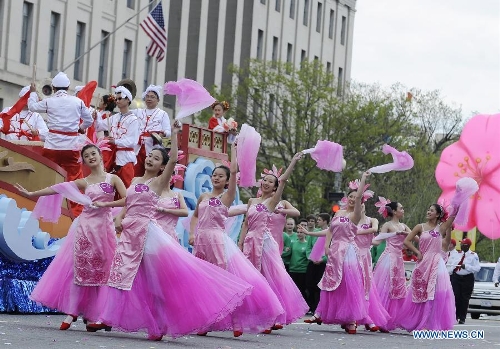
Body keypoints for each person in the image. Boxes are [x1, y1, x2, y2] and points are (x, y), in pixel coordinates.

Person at [86, 123, 253, 341]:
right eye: (150, 156)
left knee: (156, 283)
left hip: (148, 233)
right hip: (129, 232)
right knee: (120, 271)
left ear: (163, 166)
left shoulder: (159, 182)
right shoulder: (136, 180)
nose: (150, 159)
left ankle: (161, 324)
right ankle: (105, 316)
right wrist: (119, 217)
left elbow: (173, 159)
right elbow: (128, 201)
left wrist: (174, 135)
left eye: (156, 158)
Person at [15, 142, 126, 331]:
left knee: (103, 271)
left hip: (105, 230)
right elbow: (58, 188)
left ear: (100, 155)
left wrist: (106, 206)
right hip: (85, 228)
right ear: (84, 161)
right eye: (87, 156)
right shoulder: (84, 182)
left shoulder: (113, 178)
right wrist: (32, 193)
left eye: (93, 153)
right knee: (80, 269)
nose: (91, 157)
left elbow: (126, 199)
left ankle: (96, 315)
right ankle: (72, 311)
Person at [189, 140, 285, 336]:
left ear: (226, 181)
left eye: (220, 176)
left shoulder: (227, 197)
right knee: (203, 282)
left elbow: (233, 173)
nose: (216, 178)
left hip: (217, 241)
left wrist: (233, 152)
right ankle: (205, 321)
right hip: (201, 241)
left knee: (222, 282)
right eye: (214, 175)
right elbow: (196, 216)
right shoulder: (203, 197)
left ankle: (235, 320)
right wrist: (192, 233)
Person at [301, 172, 389, 334]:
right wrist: (325, 245)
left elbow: (360, 206)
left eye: (356, 197)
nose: (352, 198)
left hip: (348, 252)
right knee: (331, 283)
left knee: (351, 285)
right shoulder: (338, 213)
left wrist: (362, 179)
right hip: (335, 252)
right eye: (350, 196)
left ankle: (352, 320)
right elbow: (330, 231)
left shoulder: (354, 216)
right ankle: (320, 313)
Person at [238, 153, 309, 327]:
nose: (266, 183)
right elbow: (246, 223)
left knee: (271, 278)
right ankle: (254, 312)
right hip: (250, 241)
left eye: (271, 181)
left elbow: (284, 183)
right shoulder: (252, 200)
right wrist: (240, 243)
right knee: (252, 277)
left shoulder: (276, 201)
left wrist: (292, 161)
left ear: (275, 186)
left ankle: (275, 314)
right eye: (265, 180)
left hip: (267, 242)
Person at [28, 72, 93, 217]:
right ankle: (76, 215)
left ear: (53, 87)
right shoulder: (77, 102)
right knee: (74, 182)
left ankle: (42, 214)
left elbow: (32, 107)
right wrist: (81, 128)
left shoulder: (49, 101)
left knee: (48, 179)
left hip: (52, 147)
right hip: (71, 148)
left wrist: (33, 93)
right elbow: (89, 121)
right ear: (68, 87)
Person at [397, 204, 457, 330]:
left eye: (432, 210)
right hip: (423, 262)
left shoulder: (440, 228)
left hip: (436, 262)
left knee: (433, 293)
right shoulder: (420, 227)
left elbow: (452, 217)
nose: (428, 212)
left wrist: (459, 201)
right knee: (420, 293)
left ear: (438, 214)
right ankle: (418, 321)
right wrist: (417, 252)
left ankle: (428, 323)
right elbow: (407, 241)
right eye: (428, 209)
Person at [371, 201, 411, 332]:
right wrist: (364, 239)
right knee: (385, 288)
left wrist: (406, 235)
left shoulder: (404, 226)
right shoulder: (387, 225)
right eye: (401, 208)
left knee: (397, 289)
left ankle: (391, 319)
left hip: (399, 260)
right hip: (388, 258)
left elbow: (415, 238)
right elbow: (378, 240)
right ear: (394, 211)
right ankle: (380, 319)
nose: (403, 210)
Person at [102, 86, 139, 188]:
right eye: (116, 99)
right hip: (112, 158)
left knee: (126, 189)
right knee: (110, 189)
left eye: (119, 99)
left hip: (126, 158)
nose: (117, 101)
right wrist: (95, 117)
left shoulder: (133, 120)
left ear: (127, 100)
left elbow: (132, 141)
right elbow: (100, 125)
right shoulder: (114, 117)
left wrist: (116, 142)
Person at [133, 85, 171, 177]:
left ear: (158, 100)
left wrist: (163, 133)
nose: (149, 98)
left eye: (152, 97)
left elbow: (168, 131)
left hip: (153, 147)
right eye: (147, 96)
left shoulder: (162, 114)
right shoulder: (138, 112)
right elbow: (125, 114)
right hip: (138, 147)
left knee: (151, 174)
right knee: (135, 173)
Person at [447, 237, 480, 324]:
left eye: (463, 245)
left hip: (467, 278)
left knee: (464, 298)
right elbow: (453, 264)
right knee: (455, 296)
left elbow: (477, 268)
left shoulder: (473, 255)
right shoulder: (458, 254)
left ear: (467, 246)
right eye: (461, 244)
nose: (461, 246)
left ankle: (462, 317)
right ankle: (455, 316)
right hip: (457, 277)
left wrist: (467, 267)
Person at [305, 213, 330, 315]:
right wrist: (311, 257)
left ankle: (318, 308)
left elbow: (331, 248)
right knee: (309, 285)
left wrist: (322, 259)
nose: (317, 221)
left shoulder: (330, 232)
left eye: (319, 220)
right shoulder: (315, 233)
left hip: (323, 264)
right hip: (312, 262)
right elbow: (308, 247)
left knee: (320, 286)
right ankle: (311, 306)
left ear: (325, 221)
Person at [281, 225, 309, 302]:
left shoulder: (307, 244)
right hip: (292, 269)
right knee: (293, 290)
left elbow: (309, 257)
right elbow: (287, 253)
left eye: (301, 232)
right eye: (298, 232)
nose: (299, 234)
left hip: (303, 271)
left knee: (302, 289)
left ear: (305, 234)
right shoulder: (293, 244)